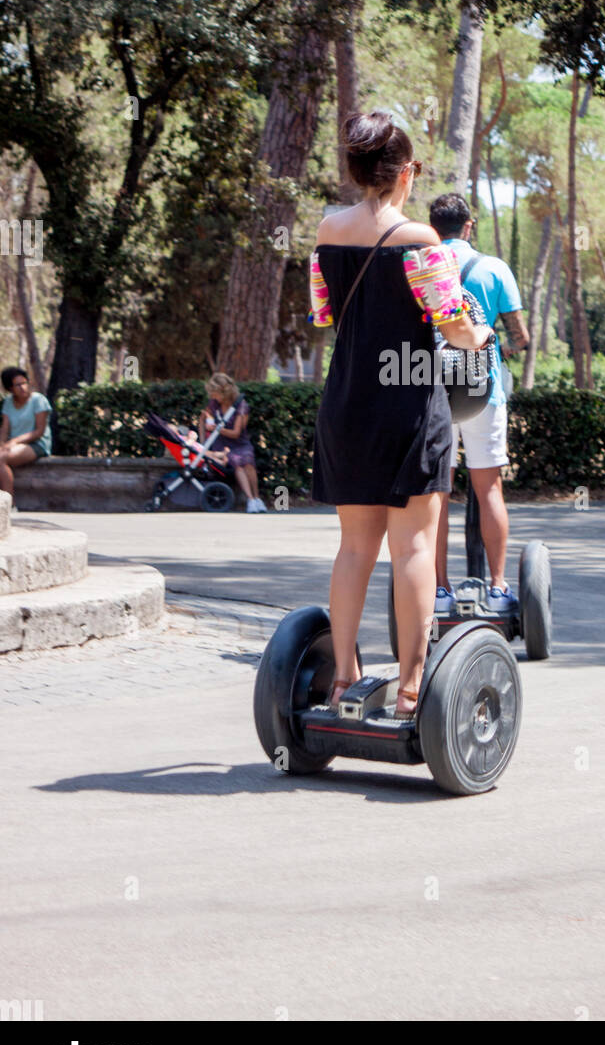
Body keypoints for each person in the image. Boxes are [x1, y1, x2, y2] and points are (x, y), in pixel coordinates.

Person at [309, 111, 493, 719]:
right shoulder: (421, 241)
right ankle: (414, 692)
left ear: (358, 171)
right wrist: (478, 332)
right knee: (413, 547)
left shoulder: (327, 232)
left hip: (346, 404)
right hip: (409, 405)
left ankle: (341, 683)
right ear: (406, 173)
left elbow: (323, 315)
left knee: (354, 548)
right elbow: (454, 326)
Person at [428, 193, 530, 614]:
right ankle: (498, 586)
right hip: (482, 388)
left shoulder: (421, 268)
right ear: (468, 225)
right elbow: (520, 337)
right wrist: (499, 347)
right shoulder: (494, 269)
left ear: (432, 229)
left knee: (436, 491)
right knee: (488, 488)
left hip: (432, 390)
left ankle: (438, 588)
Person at [198, 374, 265, 513]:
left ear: (224, 392)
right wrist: (203, 442)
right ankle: (250, 499)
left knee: (248, 461)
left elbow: (236, 433)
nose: (213, 397)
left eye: (215, 393)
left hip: (240, 442)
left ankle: (257, 498)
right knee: (236, 462)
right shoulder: (214, 404)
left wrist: (217, 429)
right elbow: (202, 420)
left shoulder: (241, 405)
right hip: (221, 444)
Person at [0, 367, 52, 504]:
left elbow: (39, 431)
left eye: (24, 383)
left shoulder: (38, 400)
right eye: (18, 385)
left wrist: (14, 442)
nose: (23, 387)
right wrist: (2, 443)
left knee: (1, 458)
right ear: (10, 388)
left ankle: (8, 505)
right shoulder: (8, 403)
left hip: (36, 444)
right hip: (13, 445)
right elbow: (5, 429)